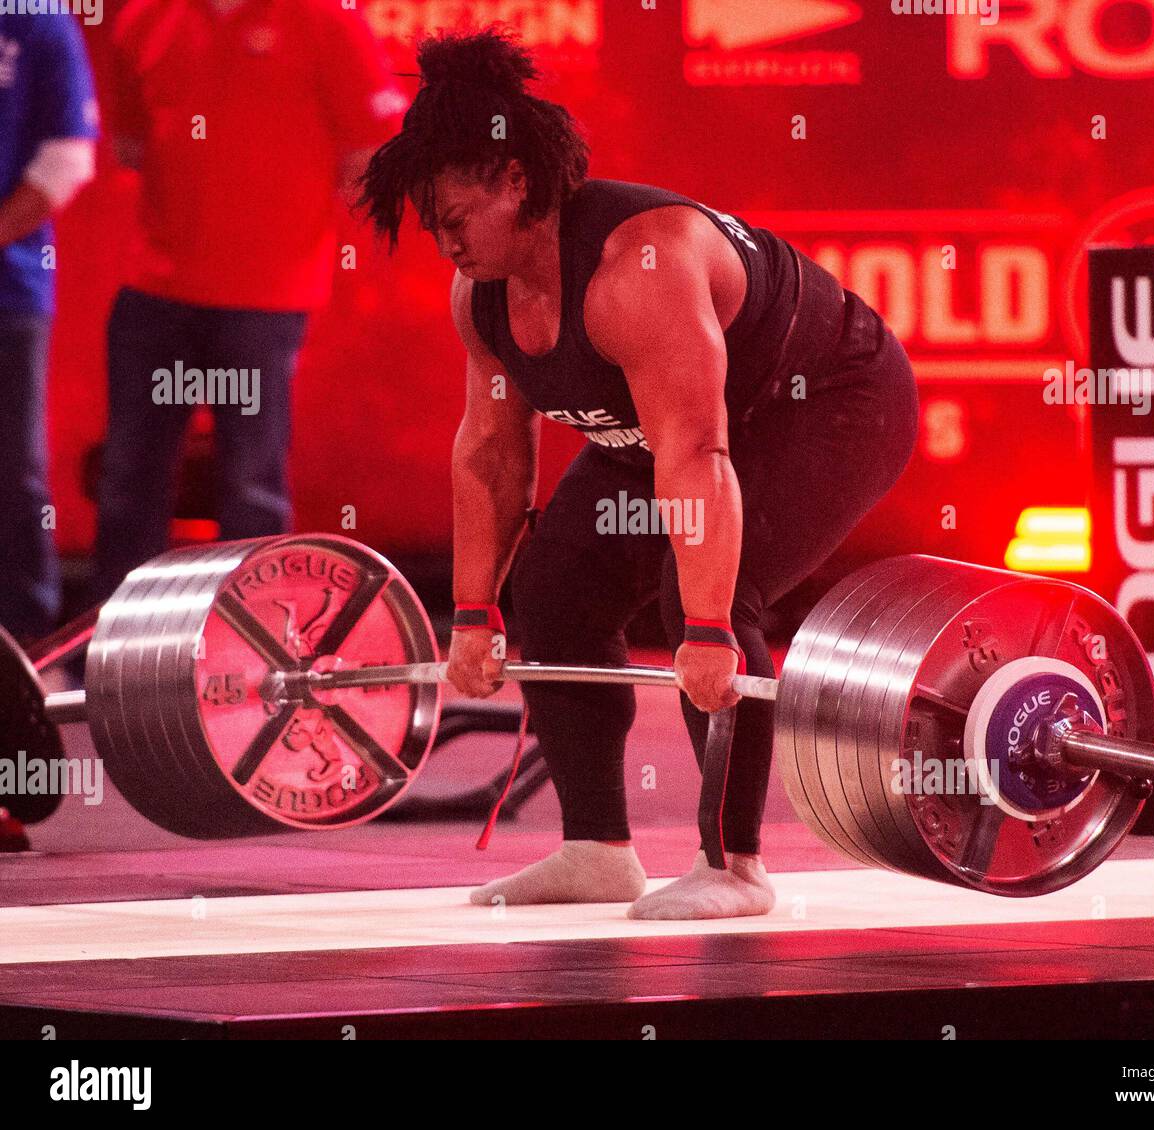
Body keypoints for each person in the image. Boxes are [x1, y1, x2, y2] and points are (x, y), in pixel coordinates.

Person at [360, 25, 919, 920]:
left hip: (828, 405)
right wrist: (473, 611)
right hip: (665, 435)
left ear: (514, 180)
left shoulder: (636, 269)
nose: (445, 246)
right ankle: (596, 851)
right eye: (432, 229)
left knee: (710, 596)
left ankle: (736, 868)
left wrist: (702, 629)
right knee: (556, 587)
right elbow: (493, 454)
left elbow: (697, 453)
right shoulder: (485, 296)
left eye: (455, 222)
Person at [92, 0, 406, 602]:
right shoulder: (143, 16)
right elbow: (130, 142)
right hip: (156, 290)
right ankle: (110, 652)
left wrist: (288, 221)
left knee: (251, 487)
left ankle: (259, 641)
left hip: (266, 298)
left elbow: (372, 144)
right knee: (129, 480)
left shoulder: (322, 20)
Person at [0, 10, 97, 642]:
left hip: (9, 290)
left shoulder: (36, 19)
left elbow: (68, 160)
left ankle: (26, 649)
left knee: (13, 471)